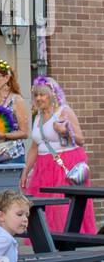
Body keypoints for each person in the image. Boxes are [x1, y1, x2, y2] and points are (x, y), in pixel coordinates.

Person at [21, 76, 96, 236]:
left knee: (62, 205)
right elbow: (34, 147)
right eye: (36, 95)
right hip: (43, 166)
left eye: (42, 94)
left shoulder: (64, 111)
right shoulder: (38, 117)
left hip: (64, 163)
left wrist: (65, 131)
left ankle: (66, 239)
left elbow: (81, 139)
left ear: (52, 95)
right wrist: (26, 170)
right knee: (44, 205)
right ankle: (49, 238)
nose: (39, 98)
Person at [0, 58, 29, 165]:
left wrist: (3, 135)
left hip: (13, 156)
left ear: (6, 78)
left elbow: (24, 133)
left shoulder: (16, 100)